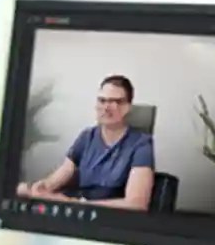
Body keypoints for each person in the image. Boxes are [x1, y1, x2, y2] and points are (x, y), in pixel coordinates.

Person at [17, 75, 155, 211]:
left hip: (108, 218)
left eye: (115, 102)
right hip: (77, 208)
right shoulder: (87, 136)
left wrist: (75, 204)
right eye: (102, 100)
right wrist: (41, 188)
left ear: (128, 107)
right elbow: (59, 176)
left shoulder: (141, 144)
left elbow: (136, 204)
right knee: (21, 191)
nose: (106, 107)